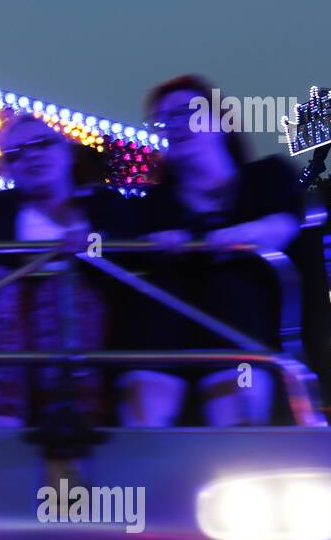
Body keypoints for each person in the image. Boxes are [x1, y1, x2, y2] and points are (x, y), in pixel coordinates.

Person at [119, 75, 304, 427]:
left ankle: (238, 429)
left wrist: (229, 238)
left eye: (189, 111)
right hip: (171, 337)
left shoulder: (267, 177)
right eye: (166, 118)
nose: (177, 124)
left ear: (222, 121)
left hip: (246, 329)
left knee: (232, 290)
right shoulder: (156, 204)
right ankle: (148, 432)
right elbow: (134, 251)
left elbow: (283, 225)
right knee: (152, 307)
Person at [0, 113, 129, 427]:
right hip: (14, 325)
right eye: (16, 154)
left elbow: (128, 240)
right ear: (9, 169)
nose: (32, 157)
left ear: (66, 152)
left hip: (87, 317)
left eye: (41, 144)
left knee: (63, 288)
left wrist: (90, 241)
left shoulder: (103, 202)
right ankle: (2, 404)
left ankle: (74, 399)